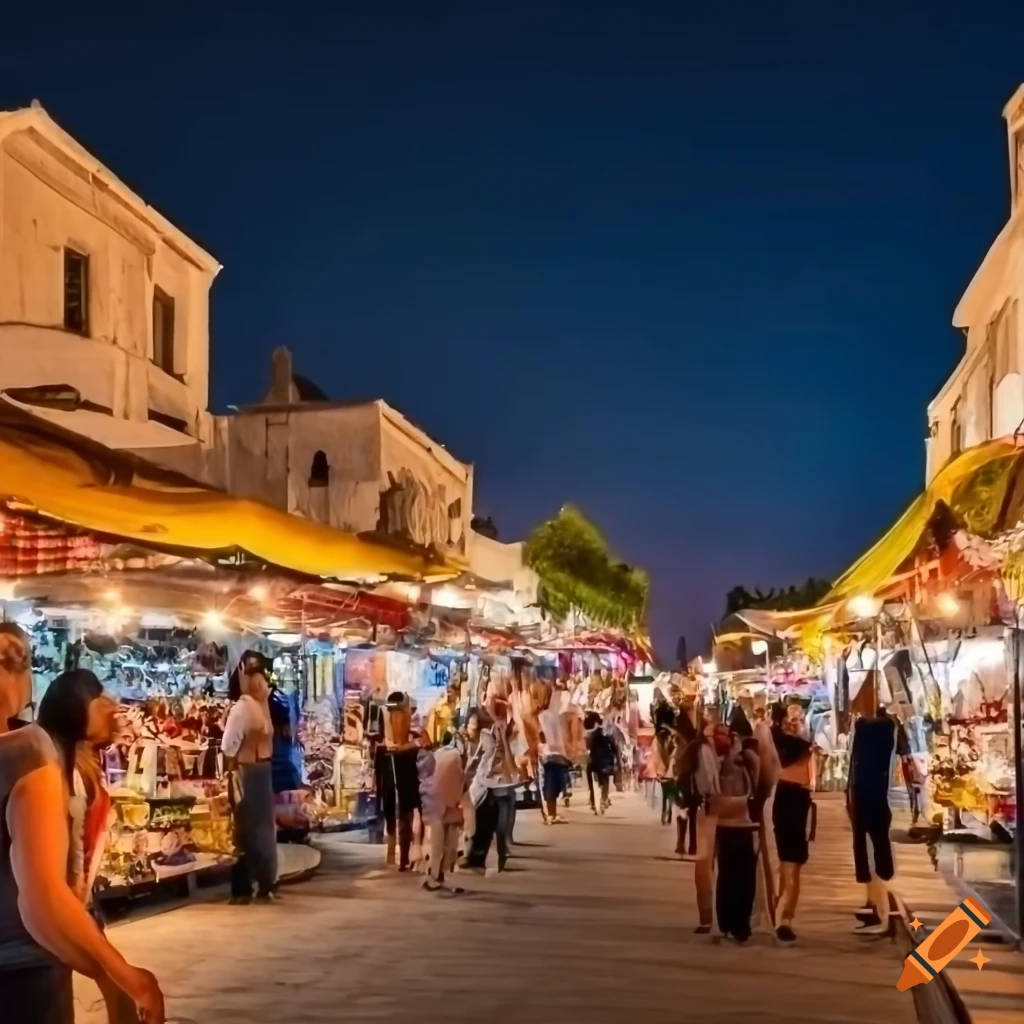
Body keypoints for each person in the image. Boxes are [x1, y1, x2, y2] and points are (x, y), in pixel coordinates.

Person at [0, 624, 164, 1024]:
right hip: (24, 962)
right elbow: (43, 898)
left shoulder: (39, 755)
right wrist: (122, 975)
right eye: (14, 661)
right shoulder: (30, 755)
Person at [36, 669, 136, 1024]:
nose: (110, 705)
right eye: (98, 698)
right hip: (58, 911)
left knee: (119, 990)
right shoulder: (60, 772)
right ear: (75, 709)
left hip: (70, 906)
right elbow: (65, 855)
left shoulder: (76, 765)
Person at [223, 651, 278, 903]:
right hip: (255, 771)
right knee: (255, 830)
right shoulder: (254, 708)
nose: (260, 681)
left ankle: (254, 884)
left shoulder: (250, 708)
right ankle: (257, 883)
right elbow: (230, 747)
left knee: (250, 831)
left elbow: (228, 746)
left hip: (252, 772)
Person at [847, 672, 897, 935]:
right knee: (867, 851)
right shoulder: (873, 728)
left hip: (872, 796)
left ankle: (881, 911)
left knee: (875, 851)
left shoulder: (876, 729)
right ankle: (872, 903)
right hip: (864, 796)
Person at [712, 714, 760, 943]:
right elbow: (753, 787)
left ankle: (728, 922)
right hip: (739, 826)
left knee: (728, 875)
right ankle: (738, 923)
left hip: (727, 826)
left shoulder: (721, 762)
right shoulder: (734, 763)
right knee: (741, 877)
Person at [771, 703, 814, 943]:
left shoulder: (781, 747)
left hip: (787, 797)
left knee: (786, 865)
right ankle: (784, 917)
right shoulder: (801, 748)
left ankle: (779, 914)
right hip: (795, 798)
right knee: (791, 867)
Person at [463, 699, 519, 872]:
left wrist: (504, 740)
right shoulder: (486, 735)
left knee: (501, 829)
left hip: (502, 788)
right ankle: (475, 856)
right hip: (485, 786)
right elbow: (477, 758)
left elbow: (512, 770)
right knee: (478, 822)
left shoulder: (510, 736)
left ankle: (500, 857)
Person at [375, 692, 421, 872]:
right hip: (390, 781)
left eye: (400, 715)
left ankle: (403, 858)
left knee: (405, 816)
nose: (396, 720)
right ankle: (392, 855)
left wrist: (404, 747)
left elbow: (424, 742)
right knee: (391, 816)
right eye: (392, 715)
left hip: (407, 781)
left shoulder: (414, 740)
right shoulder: (384, 748)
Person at [418, 736, 465, 894]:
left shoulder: (438, 759)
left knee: (440, 846)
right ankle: (434, 876)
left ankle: (437, 875)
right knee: (441, 846)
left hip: (438, 810)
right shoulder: (455, 757)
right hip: (443, 809)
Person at [586, 715, 617, 815]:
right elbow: (614, 749)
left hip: (594, 762)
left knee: (592, 782)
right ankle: (603, 800)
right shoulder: (607, 737)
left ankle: (594, 802)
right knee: (605, 782)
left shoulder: (591, 736)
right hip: (604, 763)